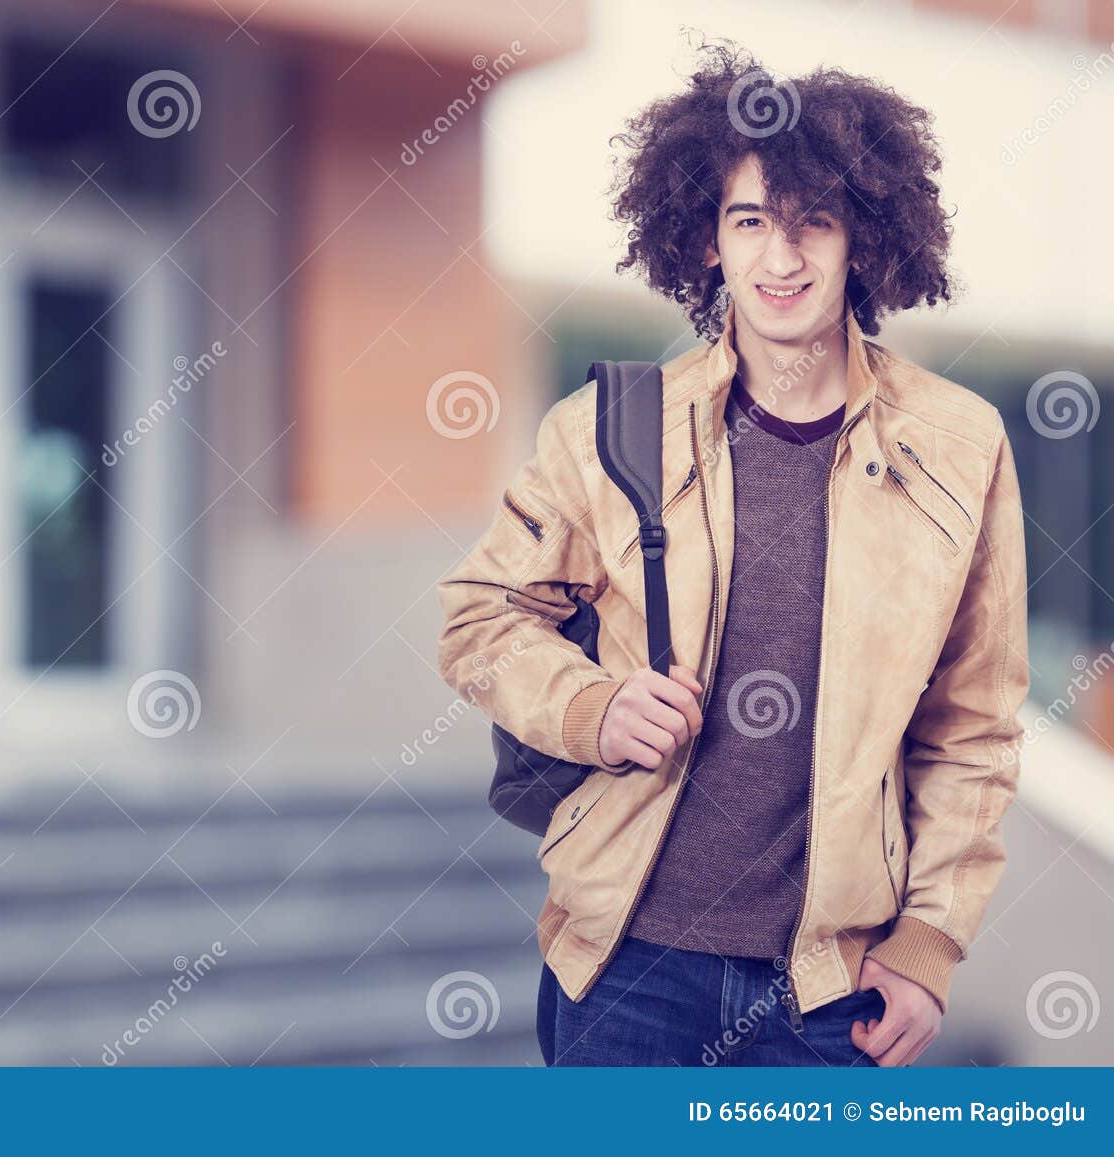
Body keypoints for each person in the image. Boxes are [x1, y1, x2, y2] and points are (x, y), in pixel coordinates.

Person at [436, 42, 1029, 1067]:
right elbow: (478, 619)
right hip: (626, 964)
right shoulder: (612, 426)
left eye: (813, 223)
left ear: (864, 241)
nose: (780, 258)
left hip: (827, 991)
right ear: (706, 239)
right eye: (749, 221)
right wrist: (591, 704)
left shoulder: (959, 444)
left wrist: (927, 941)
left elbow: (973, 723)